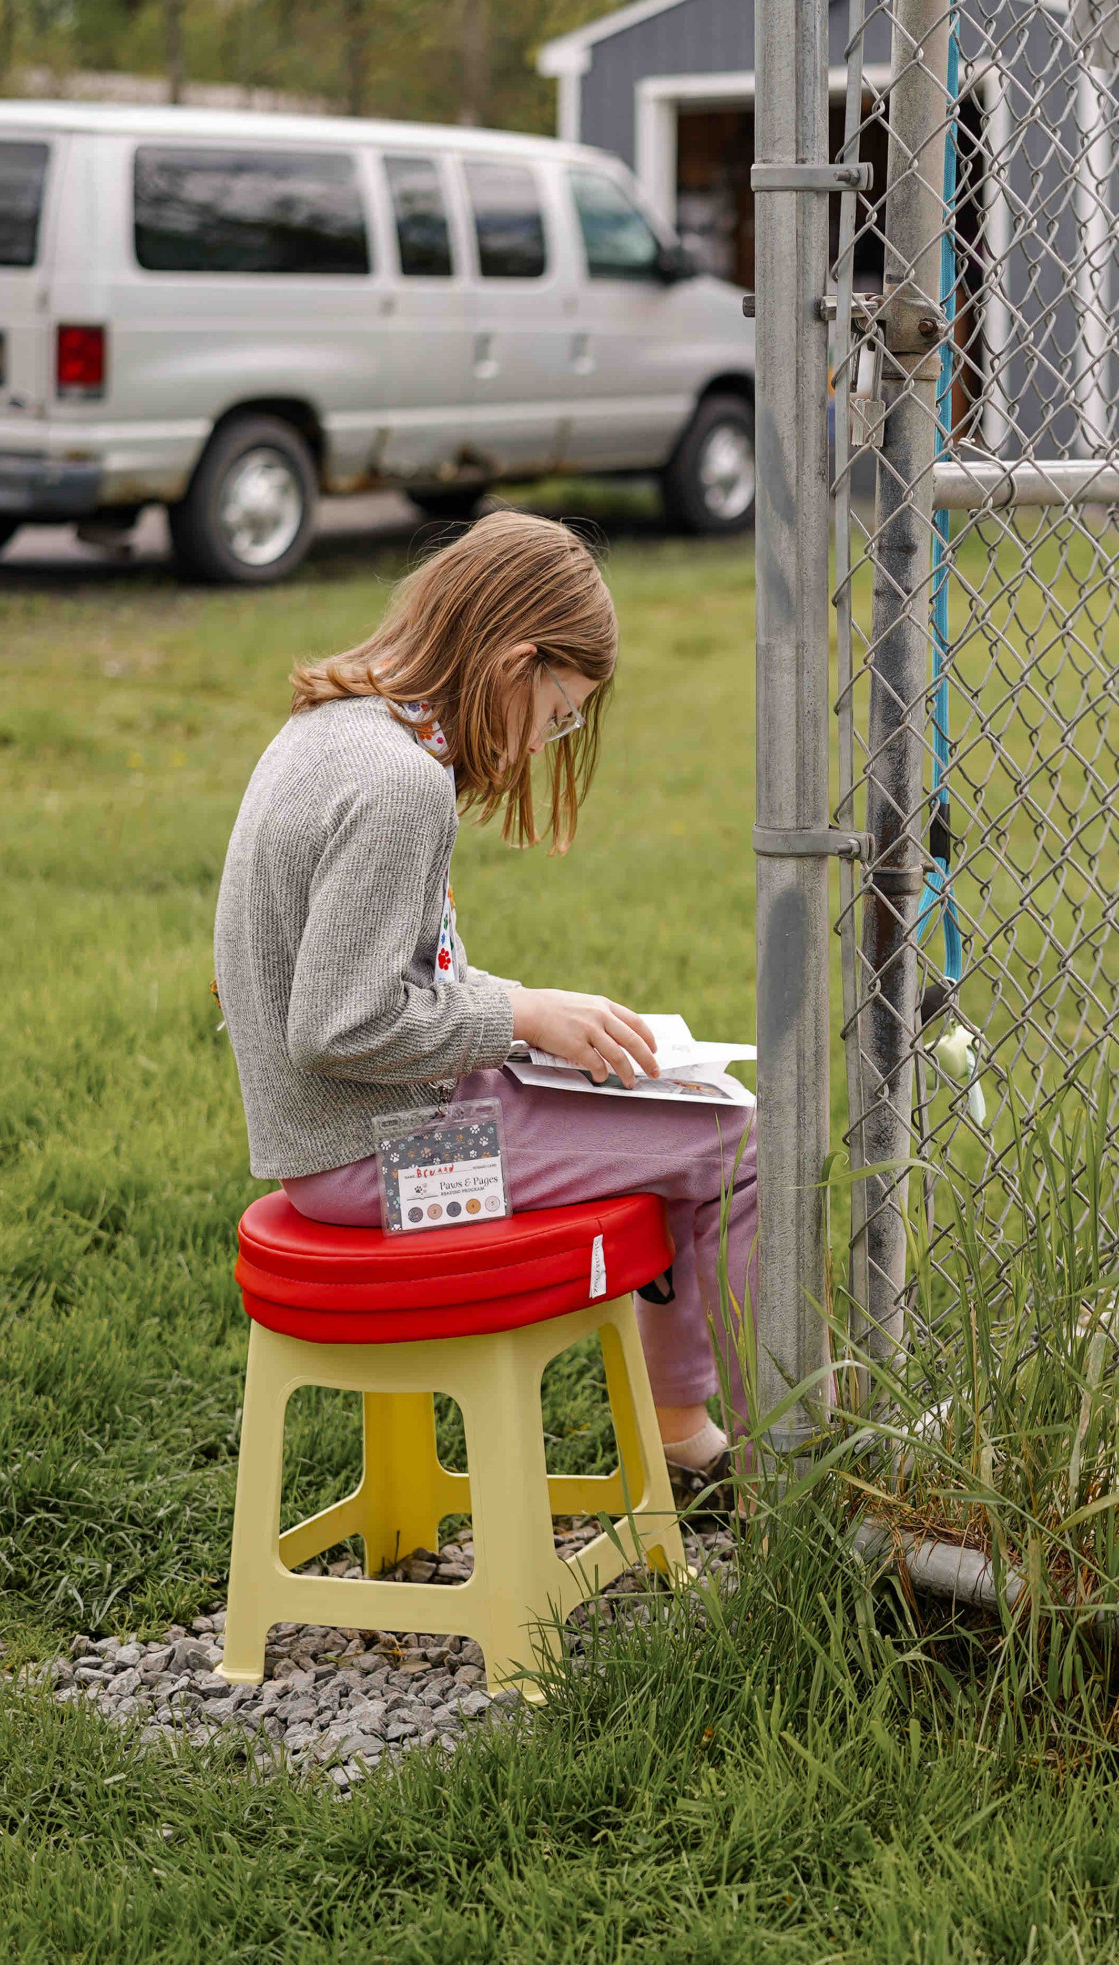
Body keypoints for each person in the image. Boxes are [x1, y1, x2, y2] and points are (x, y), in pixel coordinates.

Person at [212, 511, 754, 1476]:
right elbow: (338, 1024)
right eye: (559, 714)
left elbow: (364, 981)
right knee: (736, 1142)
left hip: (352, 1141)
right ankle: (791, 1474)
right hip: (380, 1162)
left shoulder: (335, 729)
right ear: (514, 663)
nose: (551, 742)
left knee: (674, 1117)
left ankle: (684, 1438)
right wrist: (518, 1020)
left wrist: (529, 1014)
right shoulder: (399, 783)